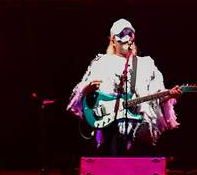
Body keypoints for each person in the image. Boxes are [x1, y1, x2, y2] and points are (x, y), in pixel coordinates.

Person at [67, 19, 178, 156]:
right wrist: (86, 90)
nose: (126, 38)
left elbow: (156, 96)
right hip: (110, 123)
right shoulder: (102, 63)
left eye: (129, 34)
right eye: (121, 34)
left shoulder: (146, 64)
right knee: (111, 152)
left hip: (138, 122)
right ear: (113, 40)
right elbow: (81, 92)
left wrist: (169, 95)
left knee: (141, 149)